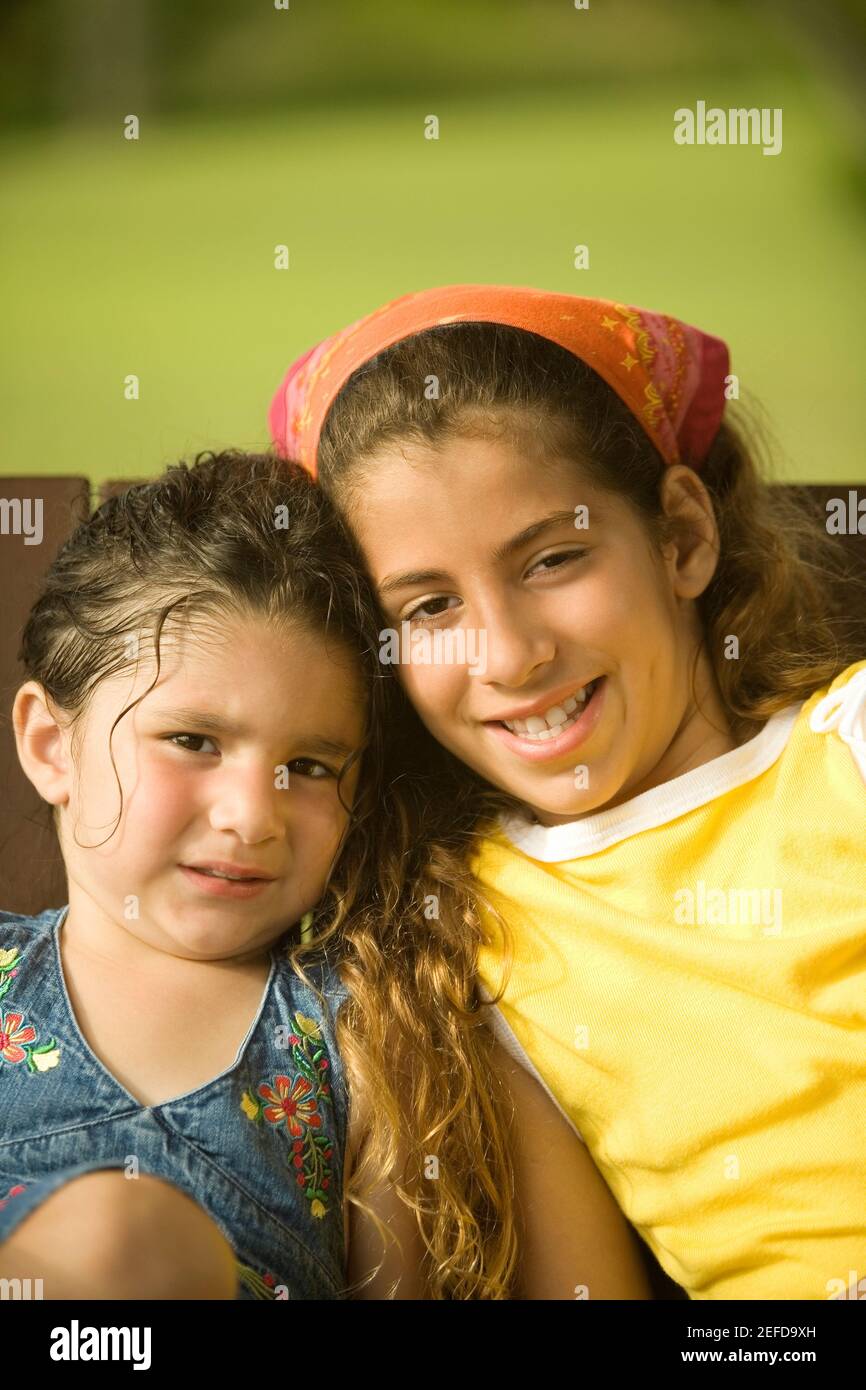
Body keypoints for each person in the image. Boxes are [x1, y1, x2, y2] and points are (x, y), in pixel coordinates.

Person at [268, 283, 866, 1300]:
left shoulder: (846, 750)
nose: (509, 652)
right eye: (429, 606)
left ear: (680, 534)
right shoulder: (465, 931)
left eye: (551, 559)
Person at [1, 448, 650, 1300]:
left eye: (310, 765)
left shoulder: (369, 1033)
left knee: (127, 1239)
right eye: (193, 741)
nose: (252, 814)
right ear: (53, 747)